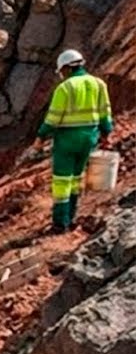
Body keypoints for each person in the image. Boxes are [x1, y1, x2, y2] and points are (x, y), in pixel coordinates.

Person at [38, 49, 113, 232]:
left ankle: (59, 223)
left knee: (62, 181)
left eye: (62, 71)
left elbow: (53, 118)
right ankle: (71, 219)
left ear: (67, 68)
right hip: (89, 138)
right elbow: (105, 113)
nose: (61, 75)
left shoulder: (65, 88)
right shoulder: (98, 84)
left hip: (67, 140)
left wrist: (41, 135)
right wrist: (106, 134)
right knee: (76, 179)